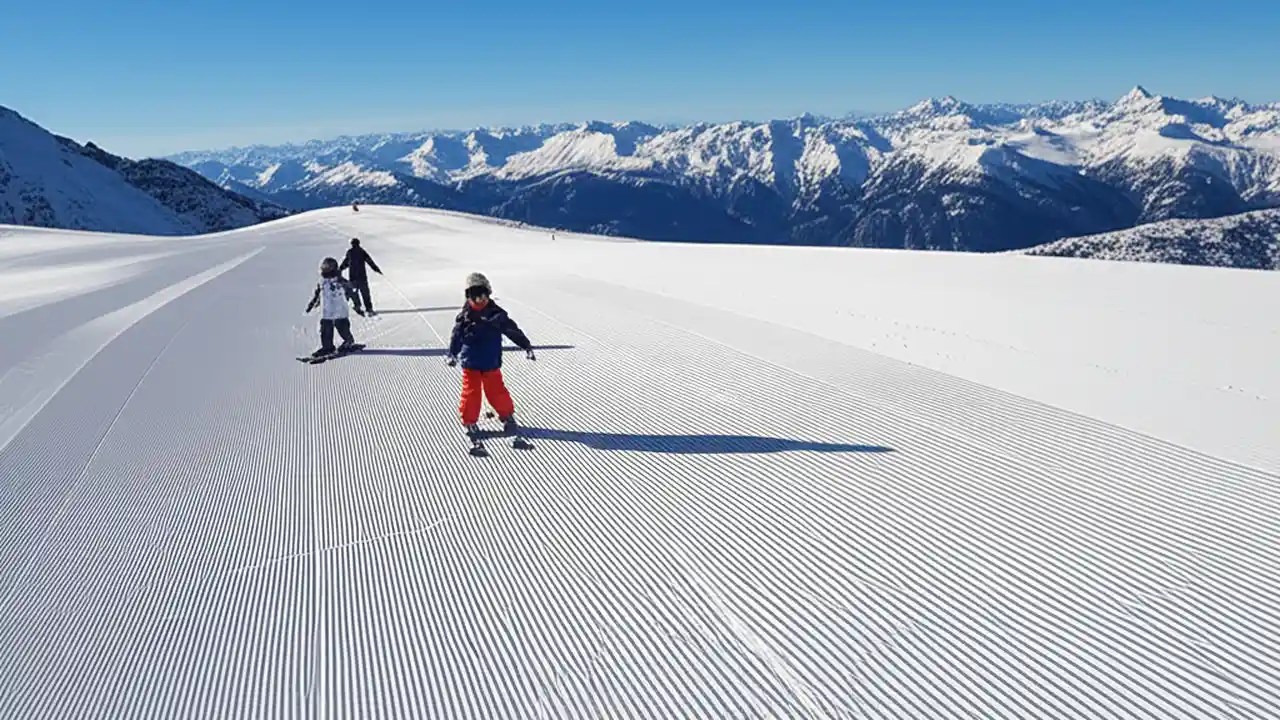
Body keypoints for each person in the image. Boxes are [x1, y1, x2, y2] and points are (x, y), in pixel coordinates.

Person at [445, 272, 536, 442]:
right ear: (469, 297)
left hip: (491, 361)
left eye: (483, 296)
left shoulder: (496, 315)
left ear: (488, 294)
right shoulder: (465, 317)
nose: (480, 301)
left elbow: (512, 330)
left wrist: (526, 345)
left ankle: (506, 415)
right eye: (475, 297)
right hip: (471, 362)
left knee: (497, 391)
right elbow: (456, 337)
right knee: (471, 393)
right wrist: (452, 353)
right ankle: (469, 421)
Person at [304, 257, 365, 357]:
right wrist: (311, 305)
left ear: (333, 268)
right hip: (327, 311)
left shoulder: (340, 281)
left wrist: (357, 305)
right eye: (324, 266)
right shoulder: (322, 282)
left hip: (340, 311)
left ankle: (348, 341)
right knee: (325, 330)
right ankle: (327, 347)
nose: (324, 269)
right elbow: (317, 295)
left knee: (343, 328)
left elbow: (352, 293)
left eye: (327, 267)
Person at [339, 237, 382, 315]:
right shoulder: (362, 251)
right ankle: (369, 308)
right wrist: (376, 269)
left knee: (353, 293)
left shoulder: (350, 252)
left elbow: (346, 263)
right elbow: (369, 261)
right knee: (365, 293)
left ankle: (357, 306)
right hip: (362, 277)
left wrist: (340, 269)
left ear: (352, 244)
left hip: (353, 277)